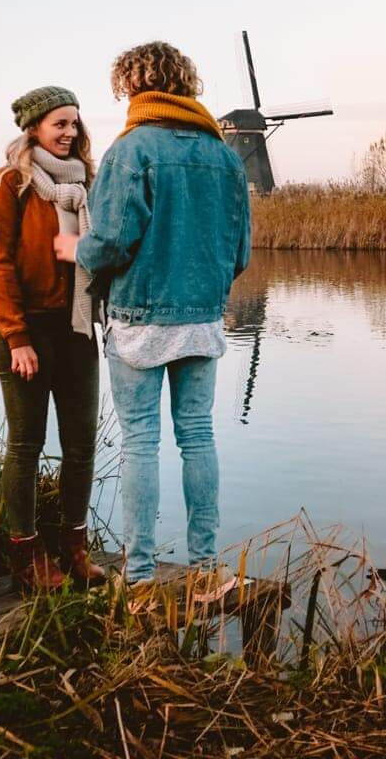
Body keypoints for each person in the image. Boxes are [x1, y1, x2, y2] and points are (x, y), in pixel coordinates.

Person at [58, 42, 251, 594]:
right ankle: (208, 571)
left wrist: (77, 250)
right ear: (186, 85)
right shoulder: (225, 156)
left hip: (141, 317)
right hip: (202, 319)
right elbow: (239, 253)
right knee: (198, 436)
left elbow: (112, 240)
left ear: (133, 87)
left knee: (141, 442)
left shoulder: (131, 149)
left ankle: (139, 577)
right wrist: (204, 291)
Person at [0, 86, 107, 592]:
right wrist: (16, 338)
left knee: (81, 447)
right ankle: (26, 557)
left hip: (76, 330)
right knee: (26, 445)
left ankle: (74, 550)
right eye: (60, 124)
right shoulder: (10, 183)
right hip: (26, 333)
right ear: (34, 129)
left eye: (75, 124)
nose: (70, 133)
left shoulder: (86, 185)